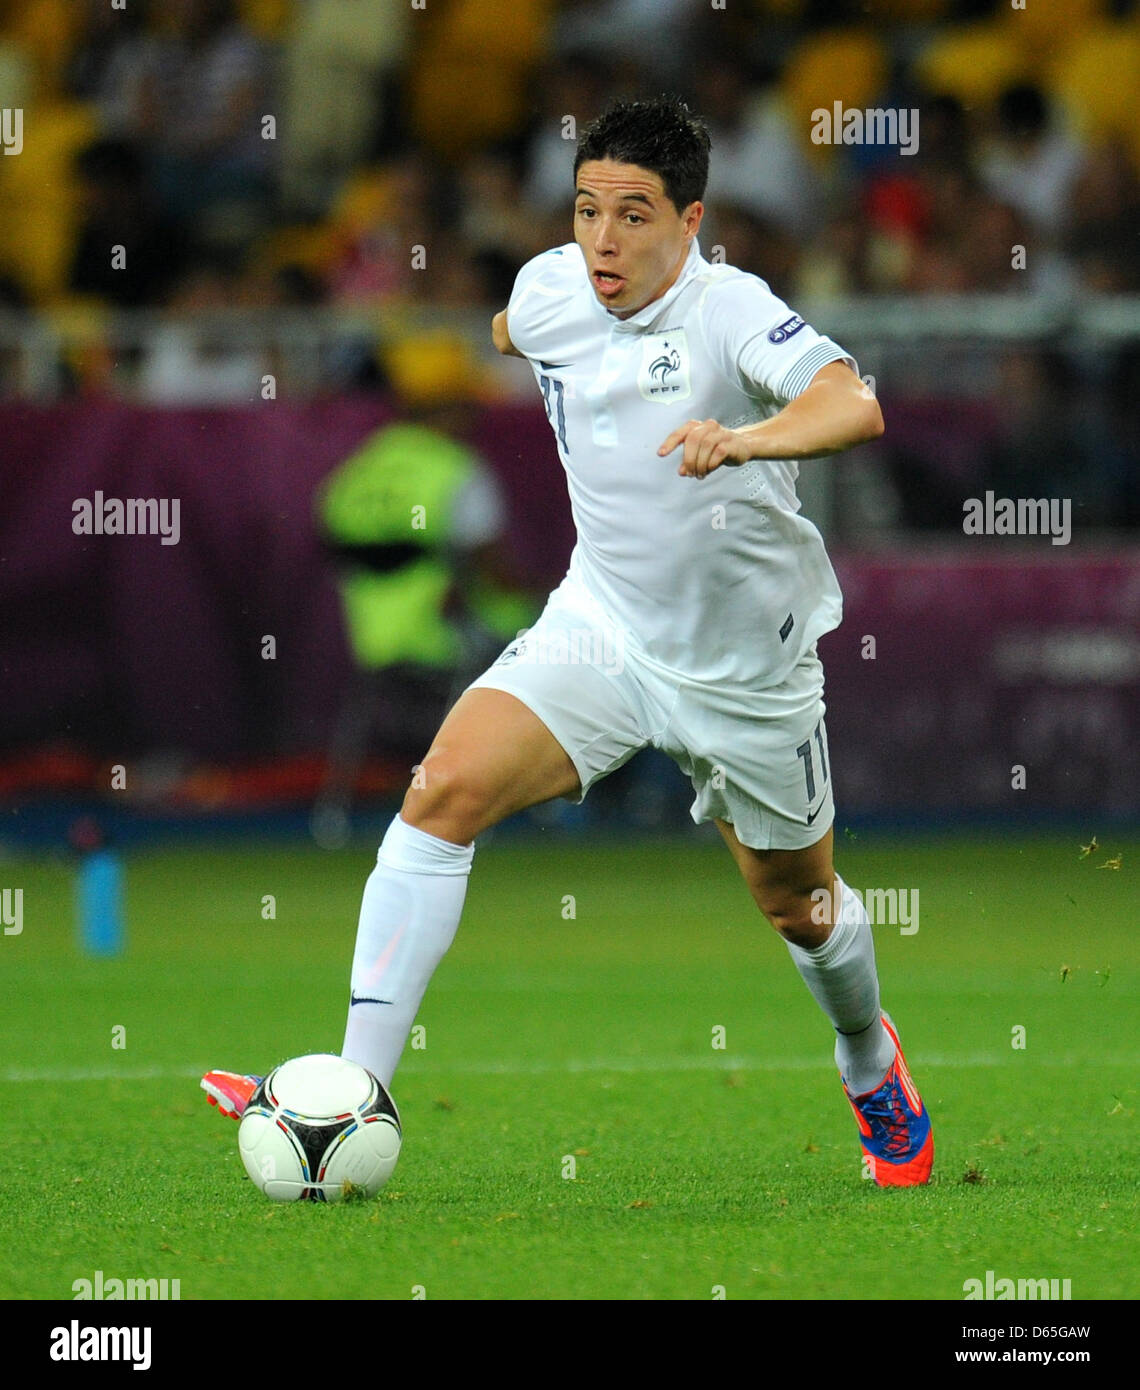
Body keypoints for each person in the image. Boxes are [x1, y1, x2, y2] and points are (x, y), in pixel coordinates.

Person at [203, 95, 933, 1187]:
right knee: (441, 791)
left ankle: (869, 1058)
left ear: (691, 222)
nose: (604, 237)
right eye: (588, 208)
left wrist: (742, 439)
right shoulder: (548, 289)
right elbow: (517, 330)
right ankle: (354, 1092)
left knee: (800, 904)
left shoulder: (730, 309)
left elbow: (851, 404)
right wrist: (507, 324)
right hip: (600, 628)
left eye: (634, 215)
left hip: (745, 671)